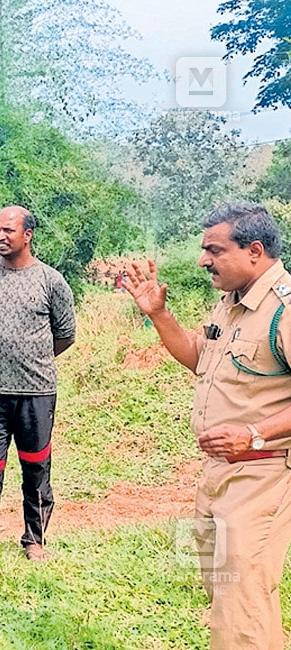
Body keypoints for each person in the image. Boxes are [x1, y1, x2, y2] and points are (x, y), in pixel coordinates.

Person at [124, 202, 291, 649]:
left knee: (241, 599)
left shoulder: (285, 308)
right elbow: (200, 357)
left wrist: (254, 434)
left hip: (262, 472)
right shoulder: (230, 304)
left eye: (214, 250)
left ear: (254, 250)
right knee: (225, 590)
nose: (203, 260)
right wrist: (158, 315)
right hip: (216, 472)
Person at [0, 206, 75, 561]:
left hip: (36, 394)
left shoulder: (51, 281)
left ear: (28, 235)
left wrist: (32, 359)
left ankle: (34, 539)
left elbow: (65, 334)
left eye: (8, 231)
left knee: (36, 468)